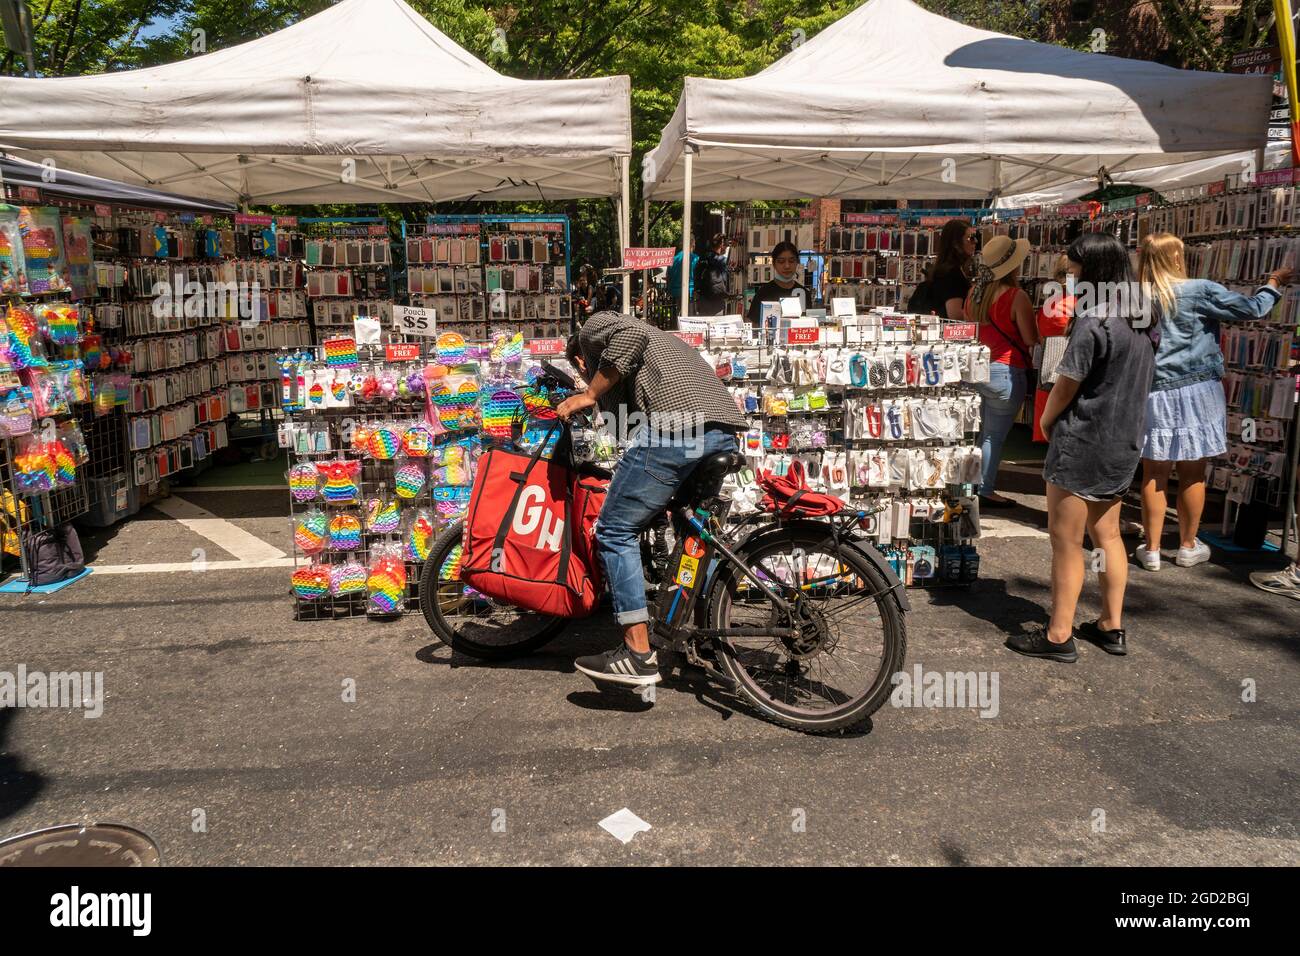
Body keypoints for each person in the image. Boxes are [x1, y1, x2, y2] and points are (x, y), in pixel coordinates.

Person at [556, 312, 747, 687]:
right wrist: (600, 406)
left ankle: (637, 654)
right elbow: (625, 428)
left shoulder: (595, 329)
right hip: (720, 430)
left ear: (581, 359)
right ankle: (707, 634)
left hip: (677, 429)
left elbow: (628, 336)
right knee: (692, 530)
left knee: (614, 531)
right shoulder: (662, 349)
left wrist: (589, 393)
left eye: (583, 372)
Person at [1008, 233, 1156, 662]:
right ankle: (1112, 625)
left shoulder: (1095, 321)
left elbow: (1067, 382)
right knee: (1107, 535)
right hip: (1125, 436)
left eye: (1074, 270)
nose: (1070, 278)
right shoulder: (1145, 314)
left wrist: (1047, 418)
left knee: (1067, 540)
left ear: (1093, 270)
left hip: (1083, 437)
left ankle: (1058, 634)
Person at [1134, 233, 1292, 571]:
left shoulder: (1135, 295)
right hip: (1197, 389)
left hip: (1154, 390)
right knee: (1193, 472)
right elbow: (1252, 309)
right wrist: (1274, 281)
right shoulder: (1197, 289)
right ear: (1177, 258)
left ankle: (1151, 549)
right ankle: (1188, 546)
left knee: (1153, 471)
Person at [965, 234, 1038, 507]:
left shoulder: (974, 293)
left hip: (976, 368)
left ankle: (968, 485)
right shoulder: (1016, 296)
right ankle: (984, 489)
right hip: (1006, 371)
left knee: (975, 435)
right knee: (993, 436)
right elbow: (1030, 339)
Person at [1032, 255, 1074, 444]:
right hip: (1072, 379)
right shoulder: (1081, 303)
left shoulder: (1049, 306)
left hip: (1048, 378)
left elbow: (1040, 337)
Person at [746, 240, 808, 330]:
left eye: (791, 261)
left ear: (797, 262)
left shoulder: (804, 293)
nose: (787, 266)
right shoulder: (764, 293)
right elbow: (754, 324)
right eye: (781, 261)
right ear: (774, 264)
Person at [927, 218, 977, 320]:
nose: (975, 242)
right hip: (953, 333)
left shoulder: (949, 270)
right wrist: (982, 314)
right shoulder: (952, 273)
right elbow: (955, 314)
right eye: (970, 238)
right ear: (955, 244)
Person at [695, 233, 731, 316]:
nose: (726, 247)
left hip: (703, 298)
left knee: (704, 325)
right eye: (726, 245)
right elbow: (725, 279)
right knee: (716, 325)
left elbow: (697, 275)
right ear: (721, 245)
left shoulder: (702, 258)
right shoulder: (721, 260)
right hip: (717, 300)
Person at [666, 246, 698, 315]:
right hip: (690, 294)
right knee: (690, 320)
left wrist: (668, 291)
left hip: (674, 293)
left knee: (676, 319)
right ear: (693, 244)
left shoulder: (673, 259)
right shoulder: (696, 259)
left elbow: (668, 278)